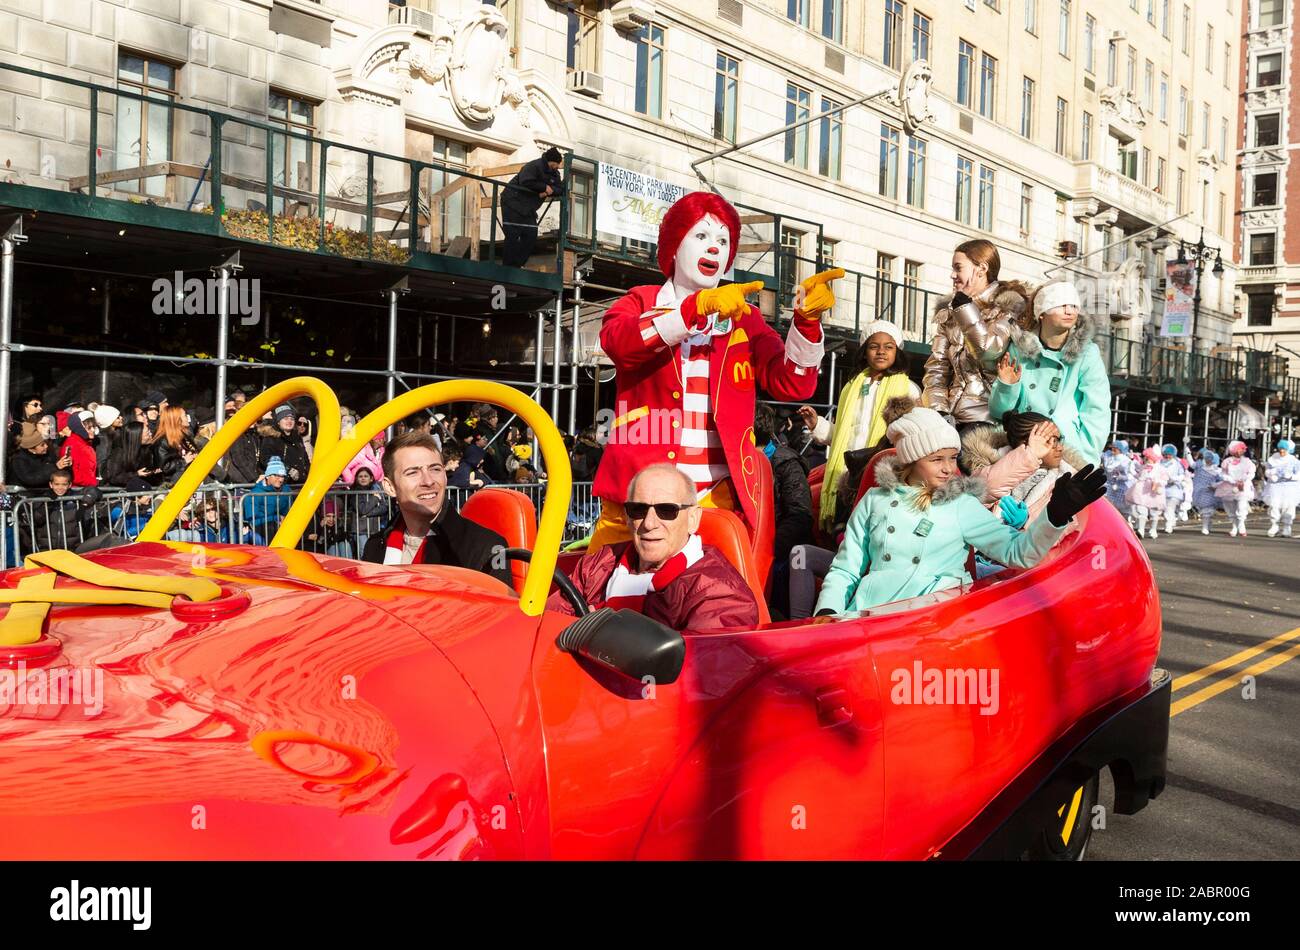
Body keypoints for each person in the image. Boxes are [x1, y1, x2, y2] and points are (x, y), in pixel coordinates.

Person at [590, 190, 833, 551]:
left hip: (713, 502)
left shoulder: (744, 317)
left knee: (716, 601)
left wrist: (808, 323)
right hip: (637, 494)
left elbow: (792, 384)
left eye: (723, 240)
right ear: (674, 247)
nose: (715, 248)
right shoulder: (641, 300)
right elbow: (618, 342)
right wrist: (693, 311)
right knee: (606, 593)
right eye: (701, 236)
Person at [813, 398, 1104, 615]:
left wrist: (1055, 515)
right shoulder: (874, 501)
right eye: (937, 459)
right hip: (870, 614)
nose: (948, 469)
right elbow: (845, 569)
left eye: (952, 458)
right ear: (912, 460)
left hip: (937, 620)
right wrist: (827, 613)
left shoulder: (961, 505)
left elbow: (1017, 552)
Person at [547, 464, 760, 631]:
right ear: (627, 518)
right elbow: (546, 623)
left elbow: (700, 669)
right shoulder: (597, 564)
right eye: (638, 509)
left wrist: (601, 634)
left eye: (667, 510)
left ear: (693, 518)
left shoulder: (719, 592)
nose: (649, 523)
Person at [798, 319, 920, 534]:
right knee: (846, 534)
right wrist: (818, 425)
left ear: (897, 352)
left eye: (888, 347)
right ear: (864, 352)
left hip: (884, 474)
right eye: (874, 346)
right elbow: (840, 437)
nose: (881, 352)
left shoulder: (908, 388)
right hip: (847, 476)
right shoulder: (850, 388)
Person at [360, 431, 511, 584]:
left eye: (435, 469)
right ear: (390, 487)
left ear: (445, 476)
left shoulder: (487, 547)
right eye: (413, 472)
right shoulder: (375, 546)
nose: (428, 481)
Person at [988, 280, 1110, 464]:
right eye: (1060, 305)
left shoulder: (1087, 352)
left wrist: (1086, 455)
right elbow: (999, 412)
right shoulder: (1019, 348)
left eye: (1073, 305)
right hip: (1023, 444)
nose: (1069, 311)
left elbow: (1097, 409)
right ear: (1041, 313)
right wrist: (1007, 386)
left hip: (1066, 448)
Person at [922, 239, 1031, 427]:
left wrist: (963, 307)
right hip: (951, 418)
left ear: (982, 269)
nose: (952, 275)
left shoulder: (1011, 306)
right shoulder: (949, 312)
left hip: (989, 418)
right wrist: (938, 410)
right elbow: (936, 368)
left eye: (958, 268)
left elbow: (987, 350)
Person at [501, 147, 565, 267]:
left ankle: (518, 265)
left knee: (531, 235)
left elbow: (559, 189)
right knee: (512, 236)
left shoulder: (554, 173)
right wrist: (544, 188)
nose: (558, 167)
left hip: (528, 208)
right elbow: (526, 181)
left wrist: (547, 191)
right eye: (556, 164)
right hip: (512, 202)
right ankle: (508, 267)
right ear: (550, 161)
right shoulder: (533, 166)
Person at [241, 456, 295, 539]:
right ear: (267, 476)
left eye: (282, 476)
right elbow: (252, 521)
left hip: (284, 530)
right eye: (277, 476)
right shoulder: (254, 494)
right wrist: (276, 518)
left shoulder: (286, 490)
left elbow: (290, 513)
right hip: (262, 533)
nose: (280, 480)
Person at [1126, 447, 1169, 541]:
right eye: (1145, 457)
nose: (1146, 459)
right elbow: (1137, 474)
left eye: (1148, 457)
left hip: (1154, 492)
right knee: (1141, 510)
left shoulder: (1160, 468)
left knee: (1154, 513)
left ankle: (1153, 530)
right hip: (1142, 491)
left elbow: (1165, 480)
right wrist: (1131, 463)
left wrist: (1157, 482)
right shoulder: (1144, 467)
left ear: (1153, 458)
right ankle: (1140, 530)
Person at [9, 421, 68, 489]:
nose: (46, 446)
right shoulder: (19, 459)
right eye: (42, 445)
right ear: (31, 448)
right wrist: (55, 467)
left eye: (45, 443)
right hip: (25, 496)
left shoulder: (47, 453)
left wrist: (65, 465)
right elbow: (30, 479)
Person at [260, 403, 310, 483]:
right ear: (279, 422)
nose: (289, 421)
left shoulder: (297, 438)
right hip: (283, 484)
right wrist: (288, 469)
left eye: (292, 419)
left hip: (302, 483)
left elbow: (305, 459)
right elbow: (266, 459)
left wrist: (308, 472)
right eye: (285, 418)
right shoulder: (271, 438)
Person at [1216, 441, 1256, 538]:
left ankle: (1241, 525)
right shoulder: (1227, 461)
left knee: (1241, 506)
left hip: (1243, 486)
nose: (1241, 451)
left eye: (1242, 449)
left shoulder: (1247, 461)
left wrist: (1244, 479)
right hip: (1229, 486)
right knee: (1231, 508)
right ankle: (1234, 526)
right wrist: (1231, 480)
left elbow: (1251, 472)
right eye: (1239, 449)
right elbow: (1223, 474)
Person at [150, 405, 196, 486]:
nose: (188, 418)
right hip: (172, 485)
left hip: (189, 480)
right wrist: (183, 462)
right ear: (177, 420)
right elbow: (164, 467)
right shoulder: (162, 441)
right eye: (185, 415)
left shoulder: (184, 436)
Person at [347, 467, 389, 555]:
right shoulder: (354, 492)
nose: (363, 478)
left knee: (374, 554)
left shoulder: (376, 489)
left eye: (366, 476)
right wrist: (375, 498)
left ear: (371, 479)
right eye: (360, 476)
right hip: (360, 530)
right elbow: (362, 510)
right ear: (357, 479)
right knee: (363, 554)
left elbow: (384, 507)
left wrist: (368, 514)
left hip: (374, 529)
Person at [1264, 438, 1300, 538]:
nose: (1282, 451)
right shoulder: (1273, 459)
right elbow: (1267, 471)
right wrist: (1271, 474)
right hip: (1275, 487)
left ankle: (1287, 527)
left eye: (1284, 449)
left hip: (1289, 487)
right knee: (1274, 506)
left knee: (1288, 507)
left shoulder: (1294, 461)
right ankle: (1274, 525)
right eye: (1280, 448)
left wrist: (1290, 476)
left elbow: (1298, 475)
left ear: (1289, 450)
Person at [1103, 440, 1138, 524]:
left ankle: (1129, 525)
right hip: (1110, 486)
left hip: (1122, 487)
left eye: (1116, 448)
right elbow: (1107, 469)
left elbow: (1131, 475)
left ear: (1121, 450)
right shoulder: (1108, 457)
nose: (1113, 450)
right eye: (1112, 448)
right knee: (1110, 508)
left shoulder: (1126, 460)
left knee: (1124, 509)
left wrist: (1121, 477)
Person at [63, 411, 99, 487]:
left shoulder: (86, 443)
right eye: (89, 428)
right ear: (79, 427)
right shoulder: (72, 445)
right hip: (76, 491)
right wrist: (94, 482)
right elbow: (72, 474)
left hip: (86, 488)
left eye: (93, 427)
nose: (93, 430)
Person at [1191, 449, 1223, 535]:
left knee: (1207, 509)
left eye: (1210, 459)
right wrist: (1187, 452)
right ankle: (1207, 523)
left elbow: (1222, 481)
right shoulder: (1200, 467)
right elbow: (1192, 464)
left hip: (1210, 492)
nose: (1208, 461)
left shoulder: (1217, 471)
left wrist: (1214, 485)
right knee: (1202, 509)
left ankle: (1204, 527)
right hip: (1199, 491)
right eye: (1207, 458)